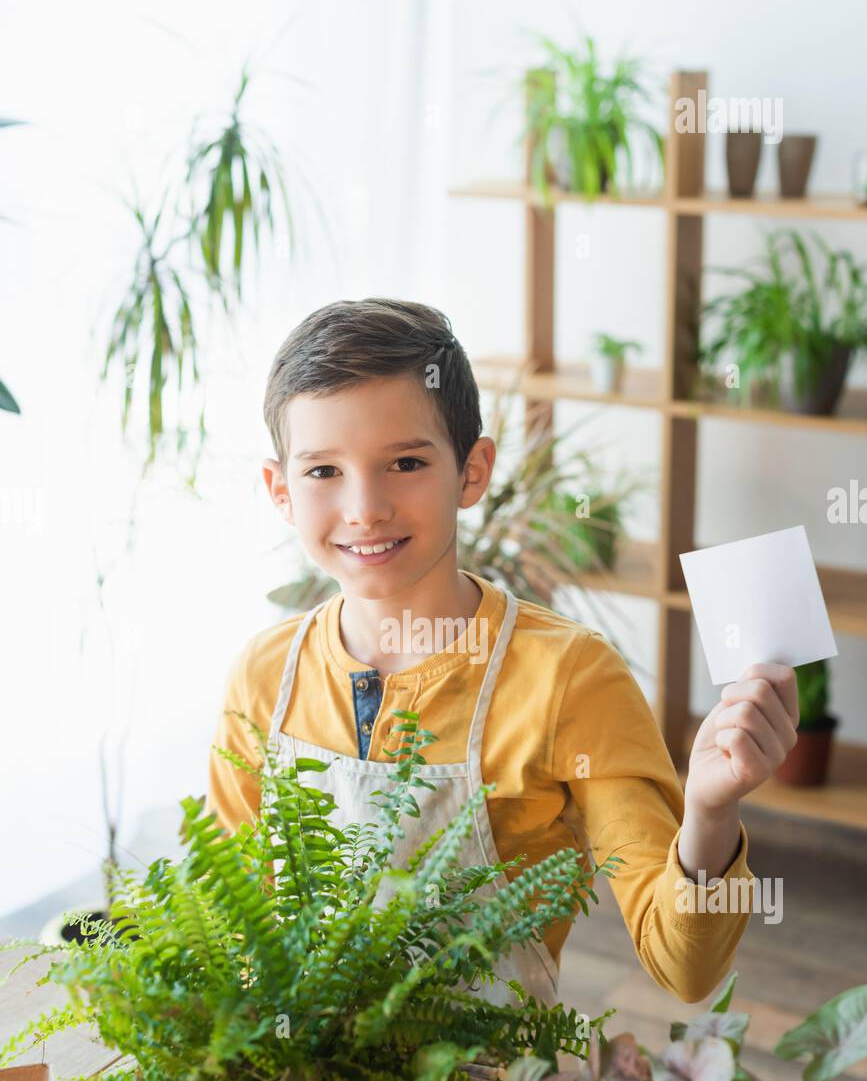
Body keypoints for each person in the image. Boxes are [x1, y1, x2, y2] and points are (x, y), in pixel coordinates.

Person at [206, 297, 799, 1008]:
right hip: (293, 1073)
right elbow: (230, 932)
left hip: (491, 1079)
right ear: (279, 489)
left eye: (405, 462)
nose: (365, 508)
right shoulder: (263, 676)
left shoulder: (570, 678)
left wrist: (709, 811)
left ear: (472, 470)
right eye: (323, 471)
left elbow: (686, 970)